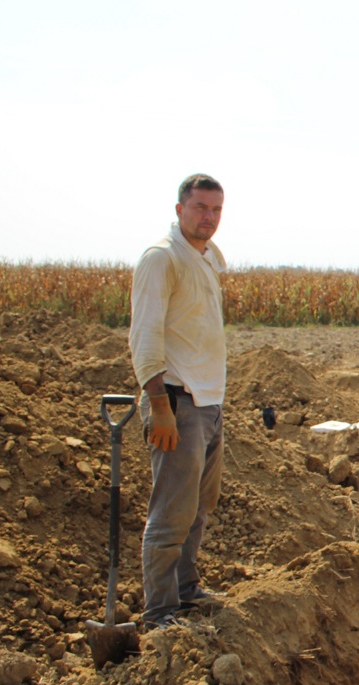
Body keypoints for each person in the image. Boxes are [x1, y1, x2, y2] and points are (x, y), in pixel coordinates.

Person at [128, 174, 229, 629]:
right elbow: (144, 335)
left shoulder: (204, 259)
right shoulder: (161, 259)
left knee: (198, 507)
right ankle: (160, 611)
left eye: (216, 210)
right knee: (171, 512)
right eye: (200, 207)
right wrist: (159, 405)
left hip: (207, 402)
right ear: (179, 210)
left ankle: (185, 590)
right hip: (177, 399)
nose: (208, 217)